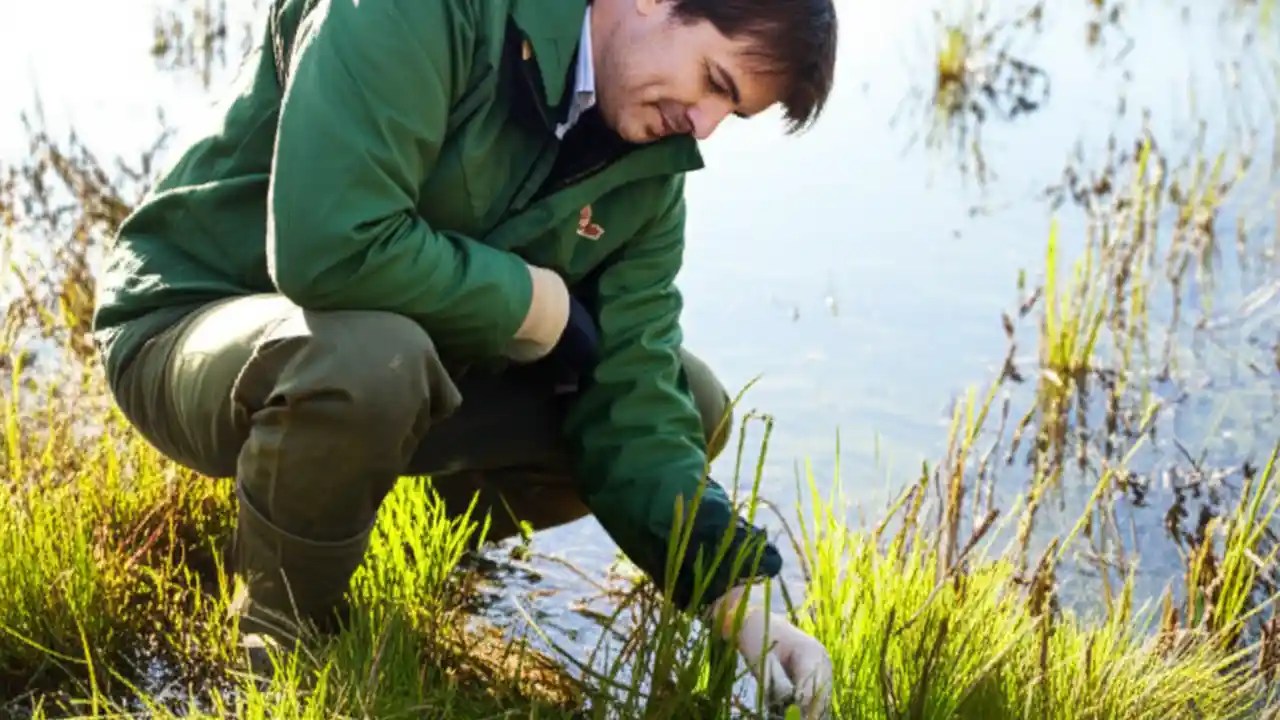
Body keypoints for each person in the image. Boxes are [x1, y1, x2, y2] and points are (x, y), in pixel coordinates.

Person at [92, 0, 838, 715]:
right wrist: (530, 303)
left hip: (400, 361)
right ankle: (283, 656)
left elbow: (637, 403)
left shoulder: (653, 168)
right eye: (714, 82)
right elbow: (329, 242)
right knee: (371, 363)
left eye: (730, 115)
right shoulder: (422, 10)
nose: (703, 129)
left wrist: (741, 595)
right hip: (194, 319)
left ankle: (350, 516)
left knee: (691, 400)